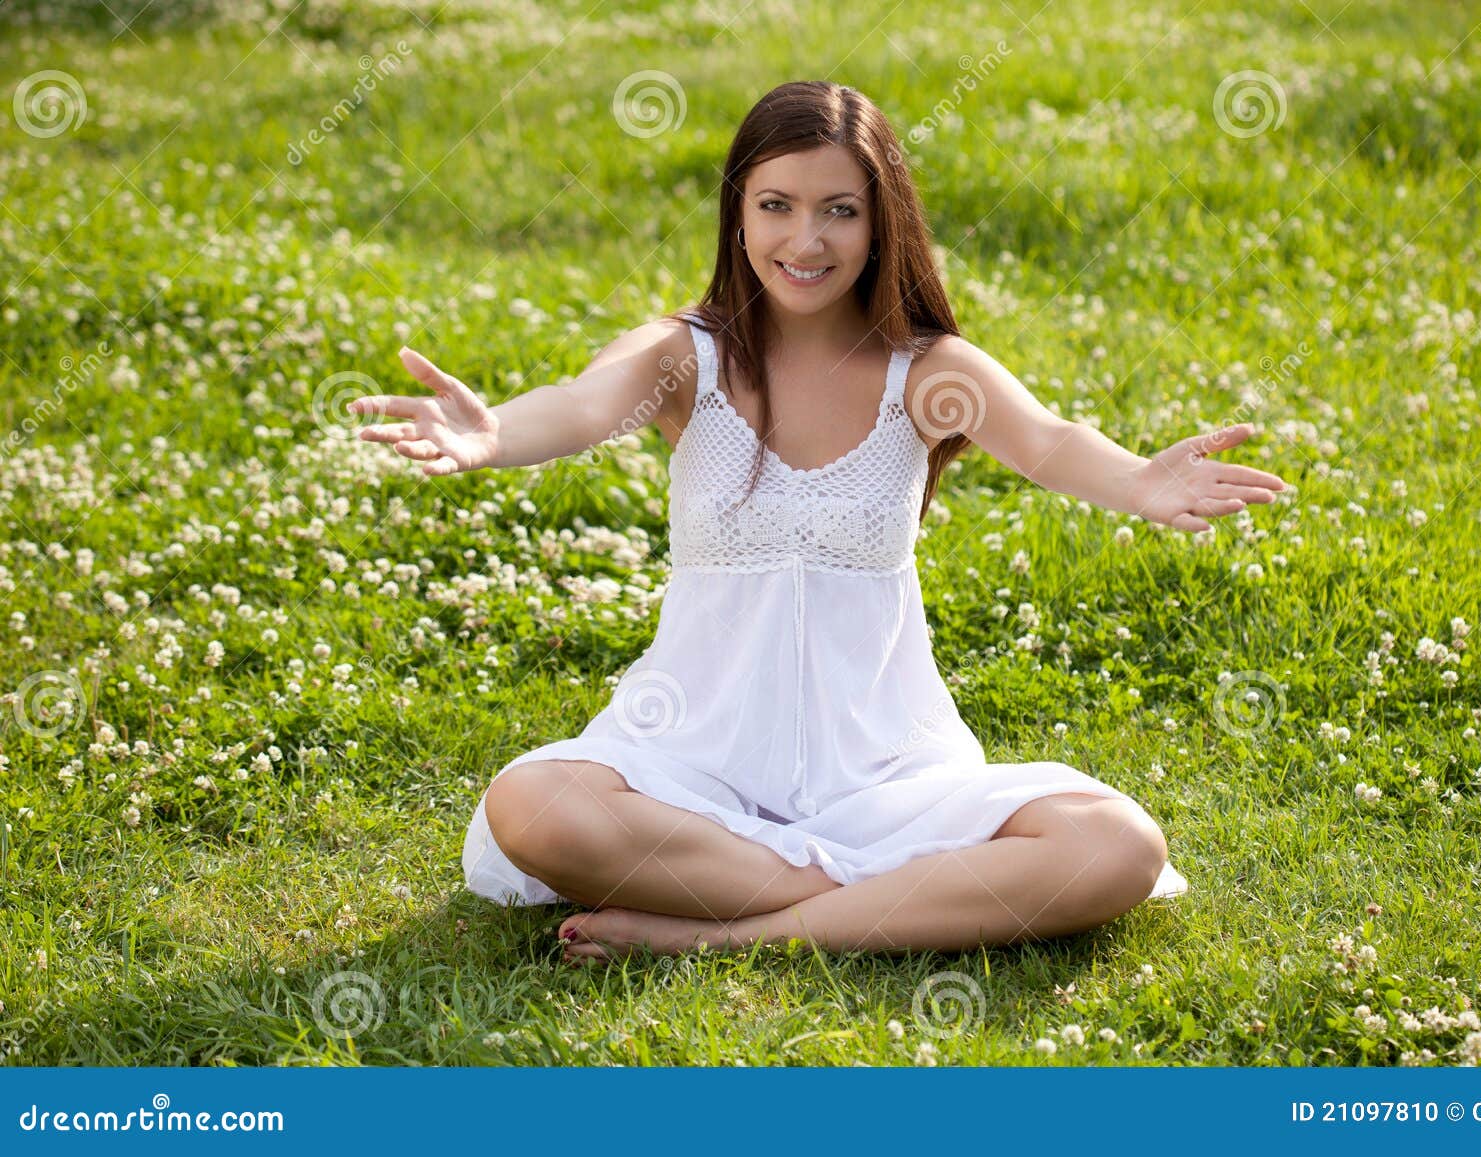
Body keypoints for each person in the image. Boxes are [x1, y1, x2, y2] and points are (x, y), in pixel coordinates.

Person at [347, 80, 1288, 962]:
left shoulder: (923, 373)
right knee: (534, 806)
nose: (807, 239)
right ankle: (880, 901)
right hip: (687, 769)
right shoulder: (687, 358)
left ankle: (724, 932)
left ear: (882, 224)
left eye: (840, 209)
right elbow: (583, 403)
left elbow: (1047, 441)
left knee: (1117, 845)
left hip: (886, 777)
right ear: (738, 212)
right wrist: (498, 431)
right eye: (777, 206)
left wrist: (1140, 482)